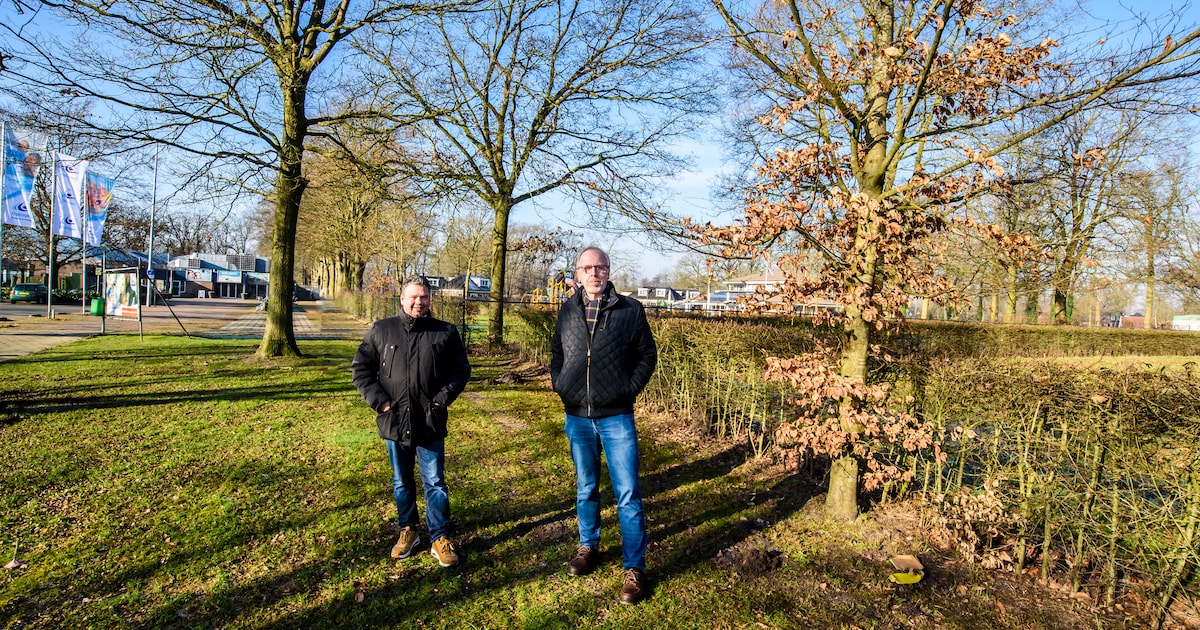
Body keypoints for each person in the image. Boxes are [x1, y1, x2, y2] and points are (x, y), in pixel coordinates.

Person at [550, 246, 658, 604]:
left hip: (617, 417)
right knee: (586, 487)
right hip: (577, 416)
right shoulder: (568, 310)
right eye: (587, 267)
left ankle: (634, 567)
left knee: (627, 493)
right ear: (578, 273)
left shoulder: (630, 309)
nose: (594, 273)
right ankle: (588, 546)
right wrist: (561, 385)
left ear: (608, 272)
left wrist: (628, 389)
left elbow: (647, 356)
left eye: (600, 267)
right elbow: (557, 353)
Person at [352, 276, 471, 568]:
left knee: (435, 483)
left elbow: (460, 371)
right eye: (414, 297)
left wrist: (440, 400)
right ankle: (408, 529)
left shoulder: (445, 332)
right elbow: (361, 369)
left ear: (430, 299)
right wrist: (381, 402)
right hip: (394, 420)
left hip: (430, 421)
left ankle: (439, 536)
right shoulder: (382, 330)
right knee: (402, 481)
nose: (419, 302)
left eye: (424, 297)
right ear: (402, 299)